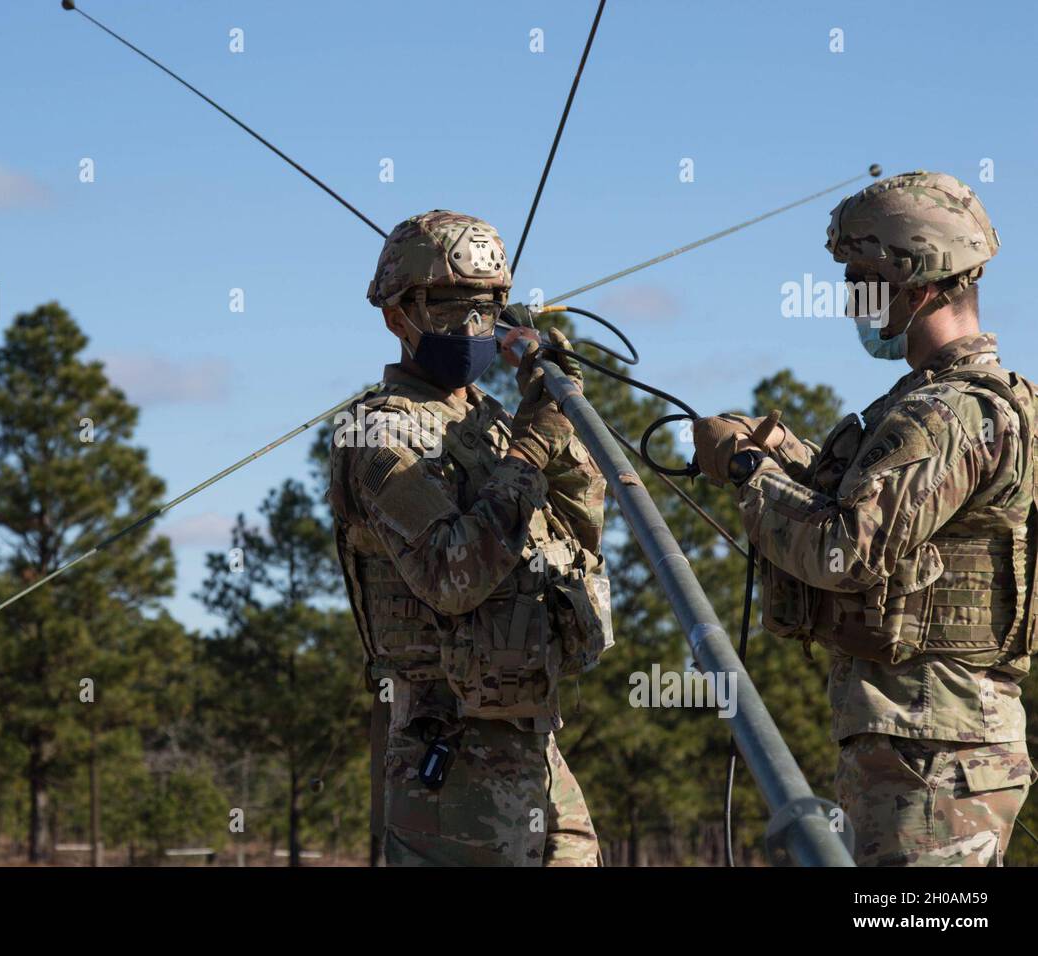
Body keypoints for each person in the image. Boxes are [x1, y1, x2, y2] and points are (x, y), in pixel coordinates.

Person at [692, 171, 1037, 866]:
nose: (851, 297)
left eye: (862, 278)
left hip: (930, 753)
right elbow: (880, 510)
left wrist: (742, 471)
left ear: (917, 281)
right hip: (933, 744)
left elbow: (846, 548)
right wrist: (783, 454)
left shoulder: (944, 413)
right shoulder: (955, 403)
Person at [327, 210, 613, 866]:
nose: (471, 325)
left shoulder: (494, 423)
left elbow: (581, 535)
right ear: (396, 316)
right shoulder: (379, 435)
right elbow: (450, 576)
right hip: (449, 748)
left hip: (532, 739)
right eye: (451, 306)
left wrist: (558, 429)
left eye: (487, 307)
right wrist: (528, 452)